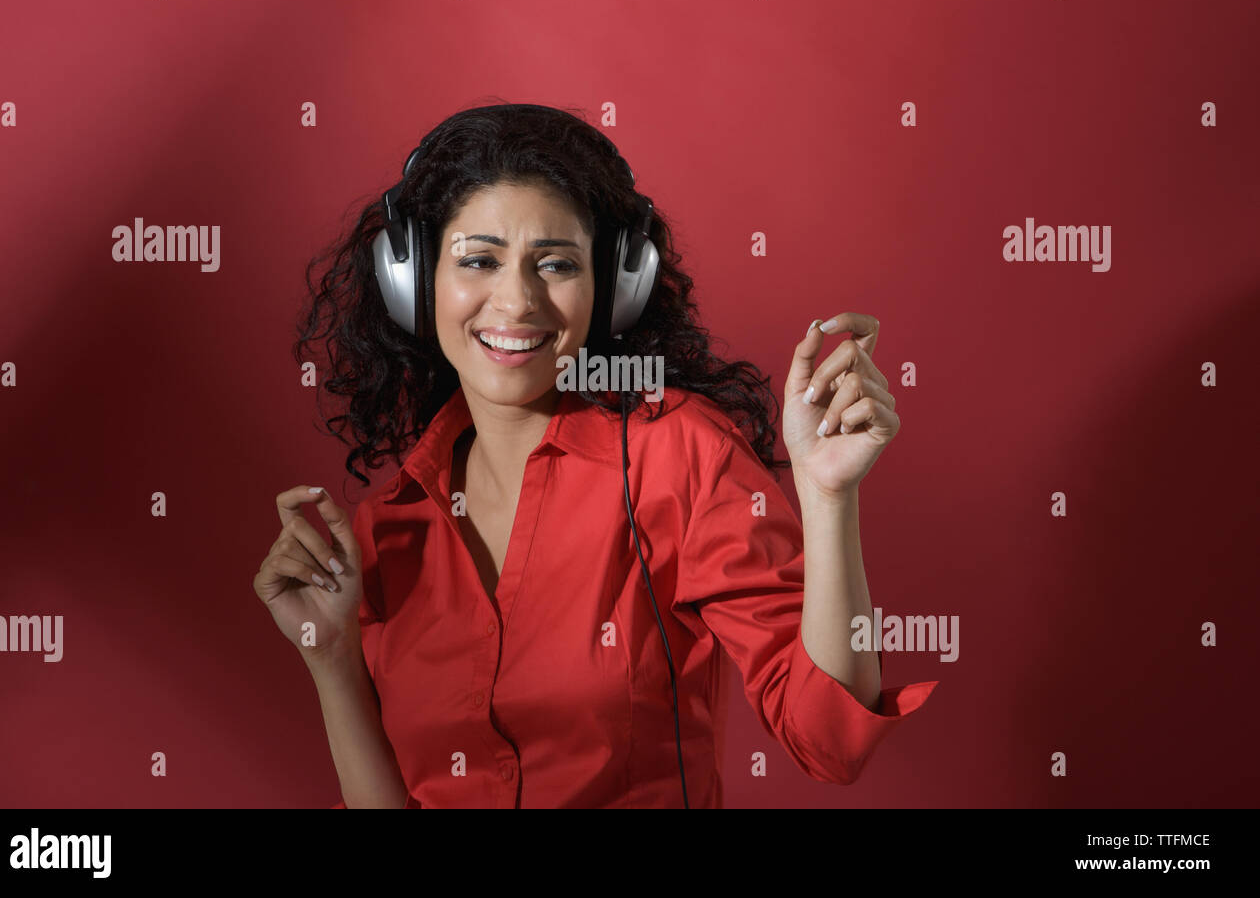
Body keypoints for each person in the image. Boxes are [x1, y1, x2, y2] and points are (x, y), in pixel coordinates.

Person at [253, 101, 938, 808]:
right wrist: (330, 654)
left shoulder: (679, 456)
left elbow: (832, 742)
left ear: (614, 289)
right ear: (413, 280)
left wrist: (828, 499)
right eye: (479, 259)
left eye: (555, 264)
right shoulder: (387, 529)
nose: (516, 301)